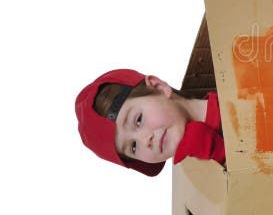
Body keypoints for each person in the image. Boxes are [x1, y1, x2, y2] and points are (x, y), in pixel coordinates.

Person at [76, 69, 225, 176]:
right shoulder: (193, 177)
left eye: (138, 120)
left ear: (158, 87)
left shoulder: (234, 100)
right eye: (133, 147)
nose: (145, 140)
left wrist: (219, 152)